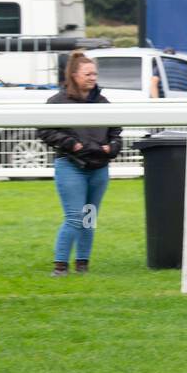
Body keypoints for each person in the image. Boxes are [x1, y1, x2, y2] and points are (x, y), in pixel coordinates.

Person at [36, 51, 122, 276]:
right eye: (88, 74)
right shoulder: (57, 102)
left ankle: (82, 264)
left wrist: (112, 147)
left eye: (95, 73)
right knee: (74, 217)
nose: (93, 77)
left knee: (89, 217)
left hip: (99, 168)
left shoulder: (103, 102)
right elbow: (44, 131)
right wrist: (71, 144)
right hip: (71, 166)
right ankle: (60, 266)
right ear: (74, 75)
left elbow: (116, 132)